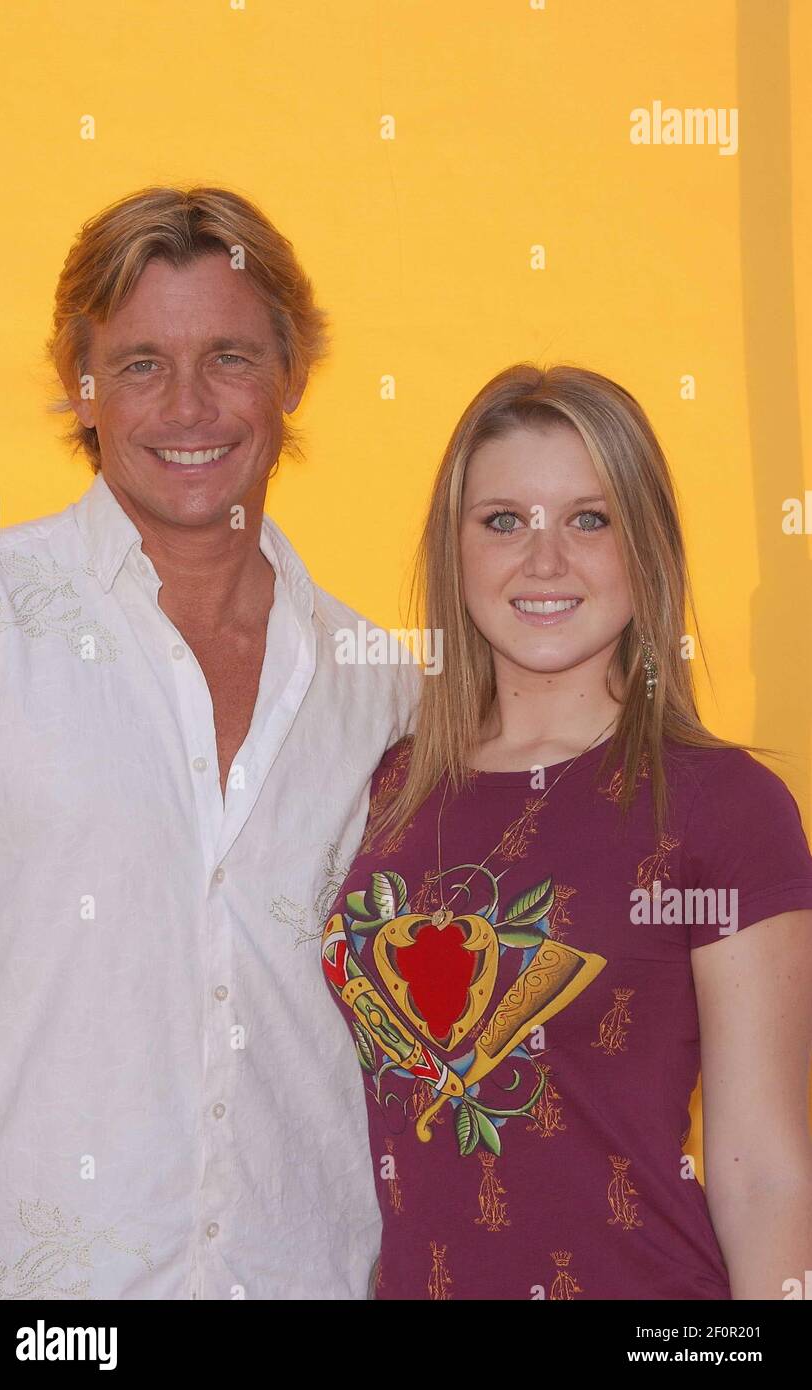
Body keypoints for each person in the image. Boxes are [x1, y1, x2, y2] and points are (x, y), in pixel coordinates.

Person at [0, 186, 420, 1300]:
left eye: (228, 356)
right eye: (137, 364)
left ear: (293, 373)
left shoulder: (389, 687)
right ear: (82, 387)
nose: (186, 405)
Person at [320, 362, 812, 1301]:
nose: (545, 561)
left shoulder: (724, 805)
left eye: (591, 519)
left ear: (650, 546)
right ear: (453, 548)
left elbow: (765, 1168)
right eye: (504, 520)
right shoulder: (386, 785)